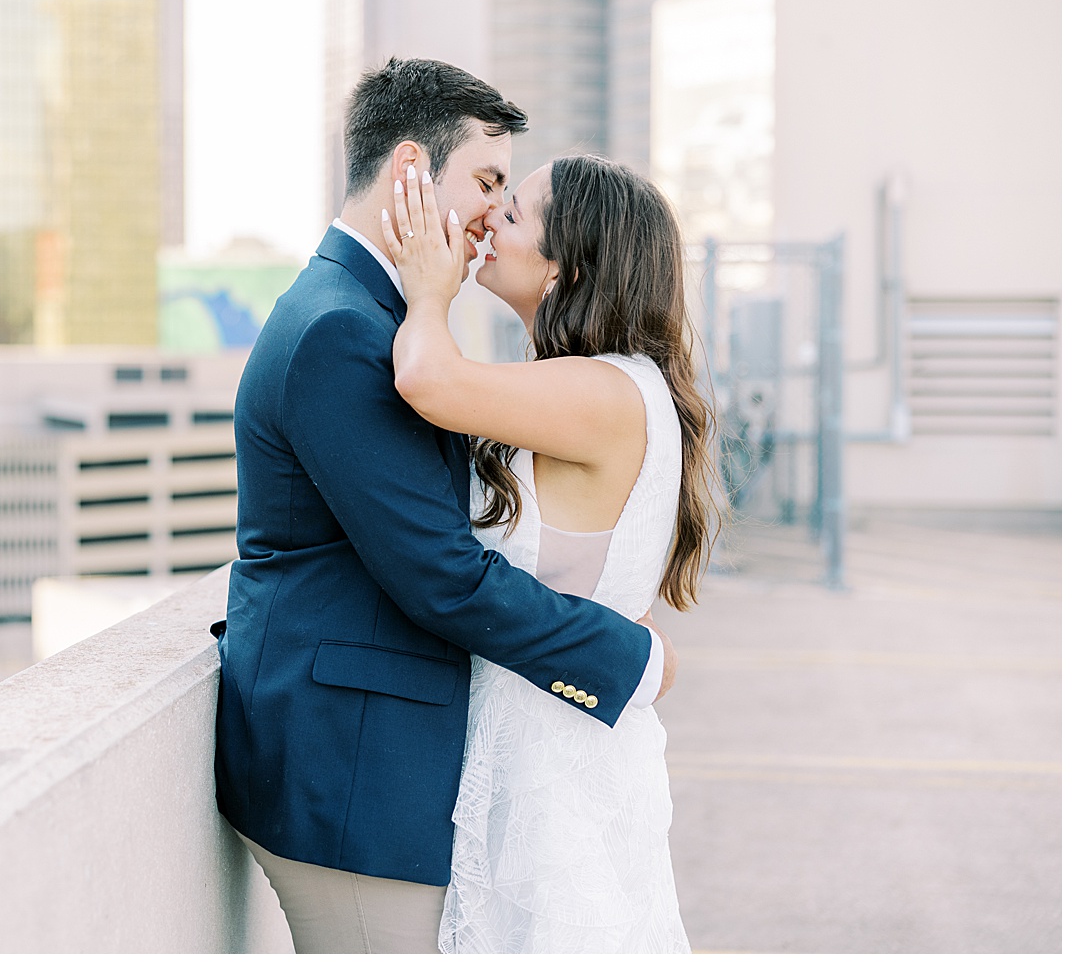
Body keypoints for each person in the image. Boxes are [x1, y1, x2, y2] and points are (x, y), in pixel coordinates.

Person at [212, 57, 677, 954]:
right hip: (349, 766)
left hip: (399, 761)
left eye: (512, 202)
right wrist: (632, 661)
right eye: (489, 184)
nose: (492, 217)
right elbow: (440, 573)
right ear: (412, 172)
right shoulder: (345, 329)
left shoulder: (378, 318)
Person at [384, 152, 720, 952]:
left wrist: (429, 293)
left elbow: (427, 378)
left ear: (568, 268)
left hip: (555, 772)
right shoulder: (606, 386)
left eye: (515, 214)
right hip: (557, 745)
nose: (489, 221)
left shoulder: (604, 390)